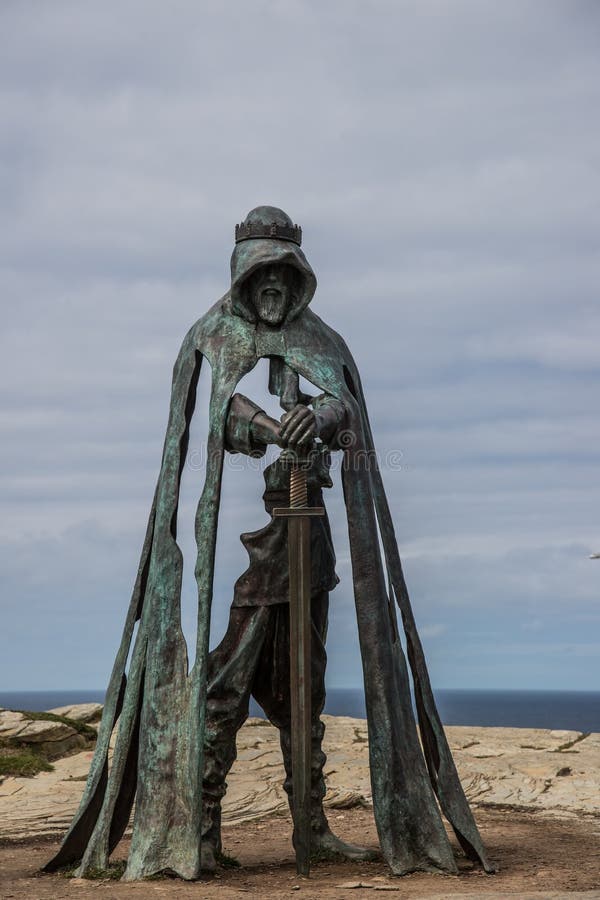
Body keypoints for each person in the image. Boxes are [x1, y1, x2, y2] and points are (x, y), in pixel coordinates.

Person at [46, 206, 492, 881]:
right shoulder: (211, 337)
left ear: (299, 276)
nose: (273, 285)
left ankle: (312, 827)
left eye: (283, 273)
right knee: (224, 685)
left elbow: (345, 405)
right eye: (262, 275)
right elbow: (213, 416)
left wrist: (320, 415)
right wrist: (264, 426)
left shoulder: (325, 342)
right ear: (244, 278)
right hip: (270, 549)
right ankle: (199, 829)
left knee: (305, 692)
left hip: (312, 545)